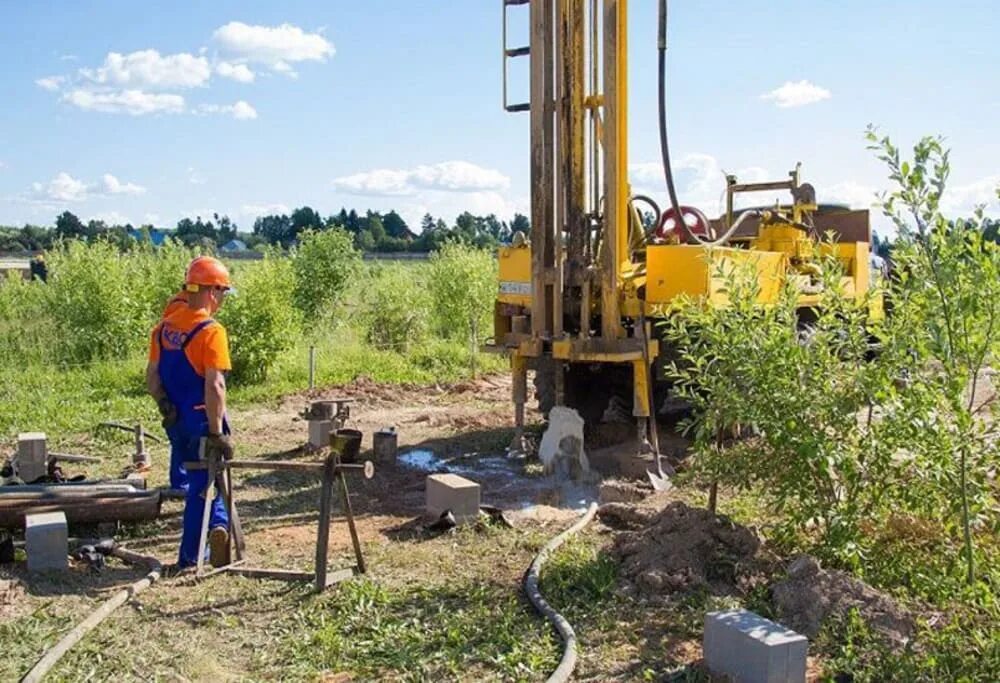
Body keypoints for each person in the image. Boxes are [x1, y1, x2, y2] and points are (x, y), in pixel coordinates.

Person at [146, 256, 235, 568]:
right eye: (223, 293)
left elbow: (152, 377)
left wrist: (165, 406)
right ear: (212, 292)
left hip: (176, 420)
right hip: (201, 420)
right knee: (202, 485)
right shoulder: (211, 331)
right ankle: (190, 556)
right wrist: (215, 431)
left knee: (207, 476)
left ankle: (220, 527)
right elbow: (215, 387)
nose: (222, 299)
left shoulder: (162, 329)